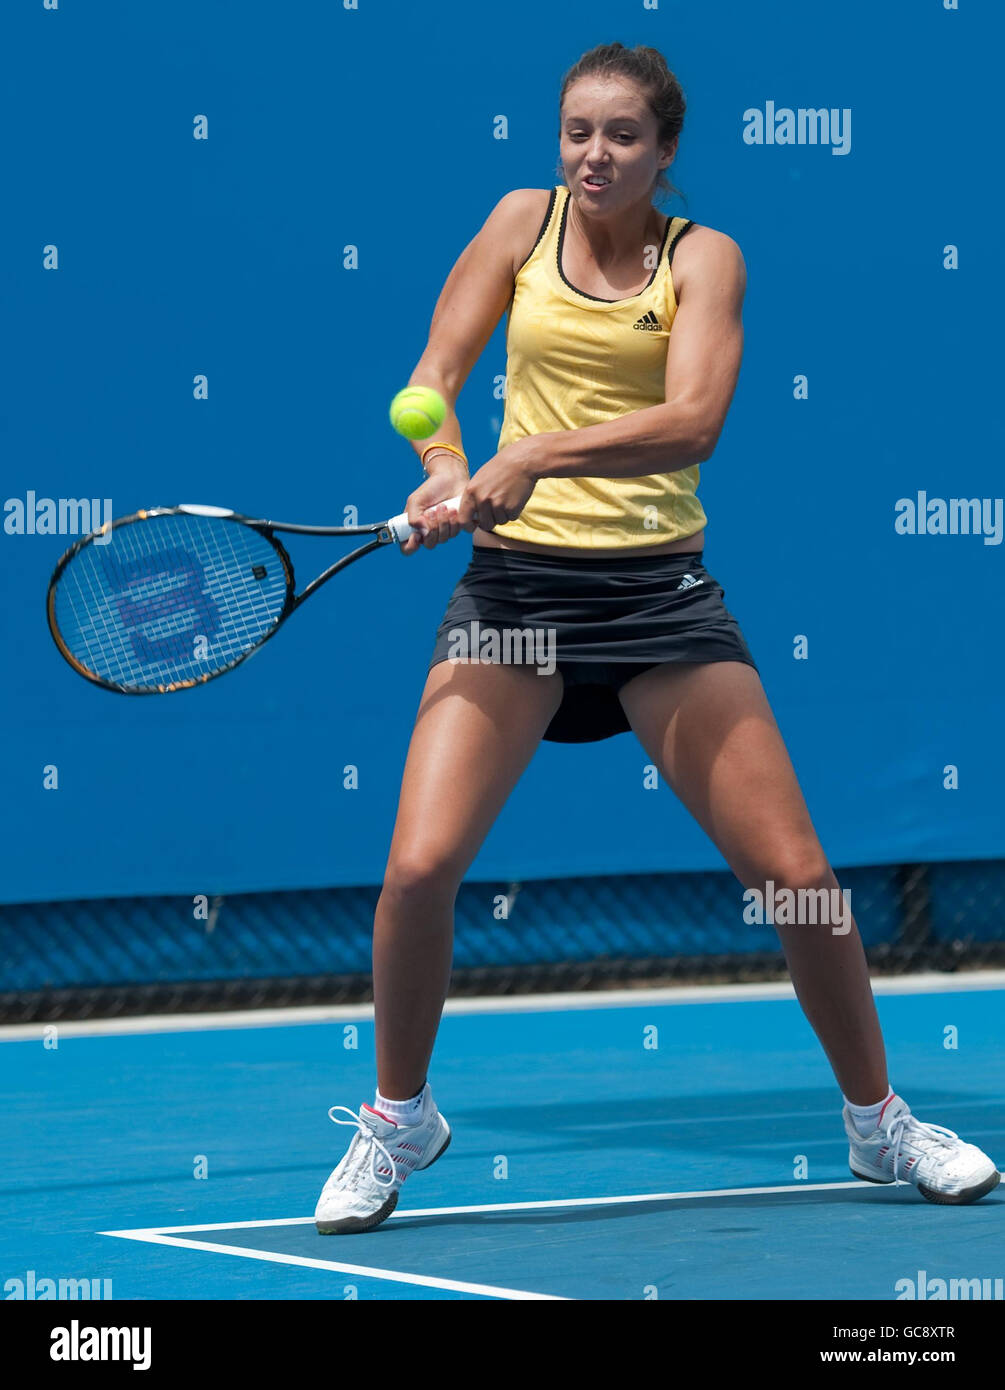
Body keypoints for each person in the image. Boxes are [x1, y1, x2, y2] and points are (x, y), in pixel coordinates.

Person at [314, 43, 999, 1234]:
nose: (594, 155)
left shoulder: (705, 259)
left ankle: (879, 1123)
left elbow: (694, 423)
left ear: (666, 151)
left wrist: (531, 455)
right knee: (419, 870)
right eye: (577, 130)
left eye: (622, 135)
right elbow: (431, 378)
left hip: (656, 606)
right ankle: (398, 1119)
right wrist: (448, 468)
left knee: (799, 882)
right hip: (516, 601)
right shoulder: (518, 223)